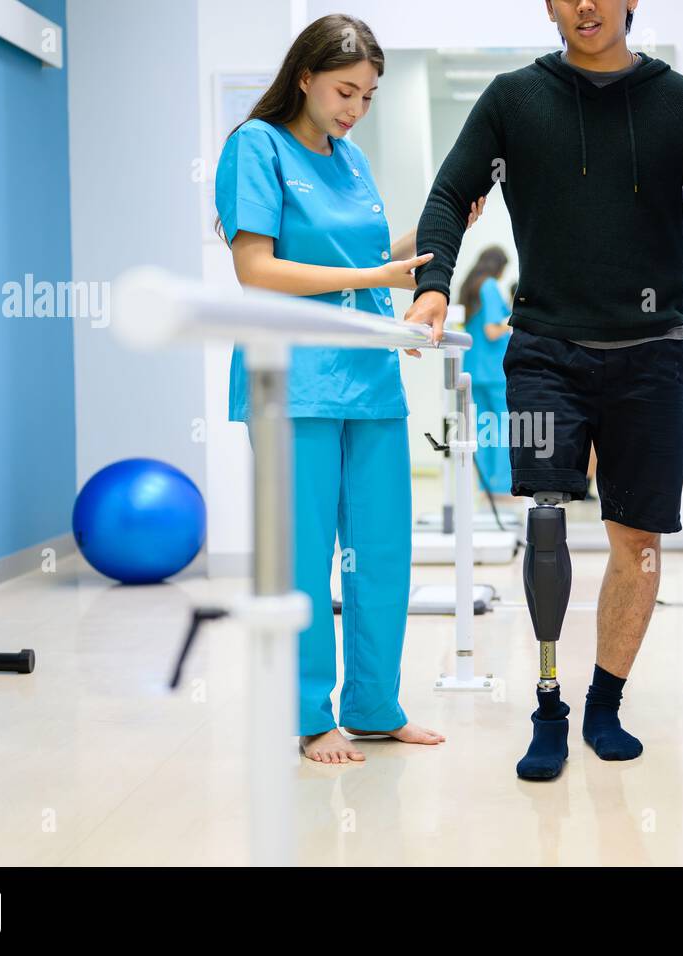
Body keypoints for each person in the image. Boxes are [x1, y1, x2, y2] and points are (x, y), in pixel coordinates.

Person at [404, 0, 683, 780]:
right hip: (544, 351)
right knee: (546, 521)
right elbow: (449, 196)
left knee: (639, 543)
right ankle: (548, 703)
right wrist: (434, 286)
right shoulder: (514, 100)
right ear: (549, 6)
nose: (585, 4)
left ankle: (605, 703)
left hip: (653, 357)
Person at [214, 14, 484, 765]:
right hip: (292, 379)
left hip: (369, 376)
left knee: (381, 551)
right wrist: (374, 276)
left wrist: (434, 232)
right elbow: (256, 268)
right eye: (344, 92)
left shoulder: (353, 161)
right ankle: (308, 716)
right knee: (304, 558)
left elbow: (366, 256)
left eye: (367, 97)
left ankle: (374, 705)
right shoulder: (256, 146)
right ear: (304, 77)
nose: (355, 109)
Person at [458, 246, 514, 495]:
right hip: (493, 370)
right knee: (502, 425)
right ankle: (501, 484)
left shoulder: (469, 287)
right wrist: (513, 321)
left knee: (482, 426)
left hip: (473, 369)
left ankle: (485, 485)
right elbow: (492, 331)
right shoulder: (489, 286)